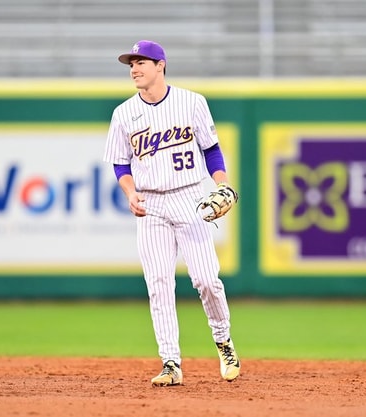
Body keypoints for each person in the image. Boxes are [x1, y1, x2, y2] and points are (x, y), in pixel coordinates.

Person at [103, 40, 240, 386]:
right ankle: (170, 362)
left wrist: (221, 183)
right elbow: (121, 163)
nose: (133, 68)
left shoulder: (192, 102)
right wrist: (131, 193)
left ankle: (223, 341)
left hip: (189, 197)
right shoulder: (123, 114)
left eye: (141, 62)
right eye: (130, 64)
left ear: (160, 65)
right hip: (150, 204)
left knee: (207, 280)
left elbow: (212, 151)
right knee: (159, 283)